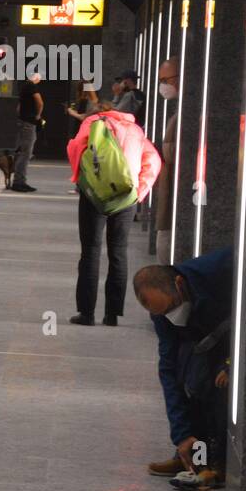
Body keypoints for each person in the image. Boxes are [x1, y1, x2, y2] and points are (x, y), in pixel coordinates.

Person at [133, 247, 233, 491]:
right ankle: (194, 455)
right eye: (160, 313)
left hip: (233, 332)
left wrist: (234, 363)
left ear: (179, 284)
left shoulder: (222, 268)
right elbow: (168, 370)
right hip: (208, 337)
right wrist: (181, 434)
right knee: (190, 380)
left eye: (170, 307)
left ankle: (219, 463)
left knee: (219, 385)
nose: (170, 316)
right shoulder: (162, 316)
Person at [65, 104, 160, 325]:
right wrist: (139, 191)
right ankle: (112, 314)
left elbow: (76, 149)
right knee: (118, 251)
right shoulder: (135, 129)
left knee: (90, 250)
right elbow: (153, 160)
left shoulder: (92, 123)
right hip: (126, 195)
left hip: (95, 195)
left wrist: (81, 179)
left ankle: (86, 313)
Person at [153, 58, 181, 263]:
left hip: (177, 187)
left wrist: (159, 150)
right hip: (169, 184)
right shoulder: (178, 110)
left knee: (166, 239)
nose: (163, 85)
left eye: (166, 80)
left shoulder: (186, 112)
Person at [10, 71, 43, 192]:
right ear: (36, 77)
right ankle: (19, 182)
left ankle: (19, 180)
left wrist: (20, 117)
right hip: (29, 123)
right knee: (26, 153)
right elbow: (40, 102)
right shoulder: (32, 86)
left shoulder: (24, 87)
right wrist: (38, 115)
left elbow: (18, 107)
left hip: (22, 122)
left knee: (21, 152)